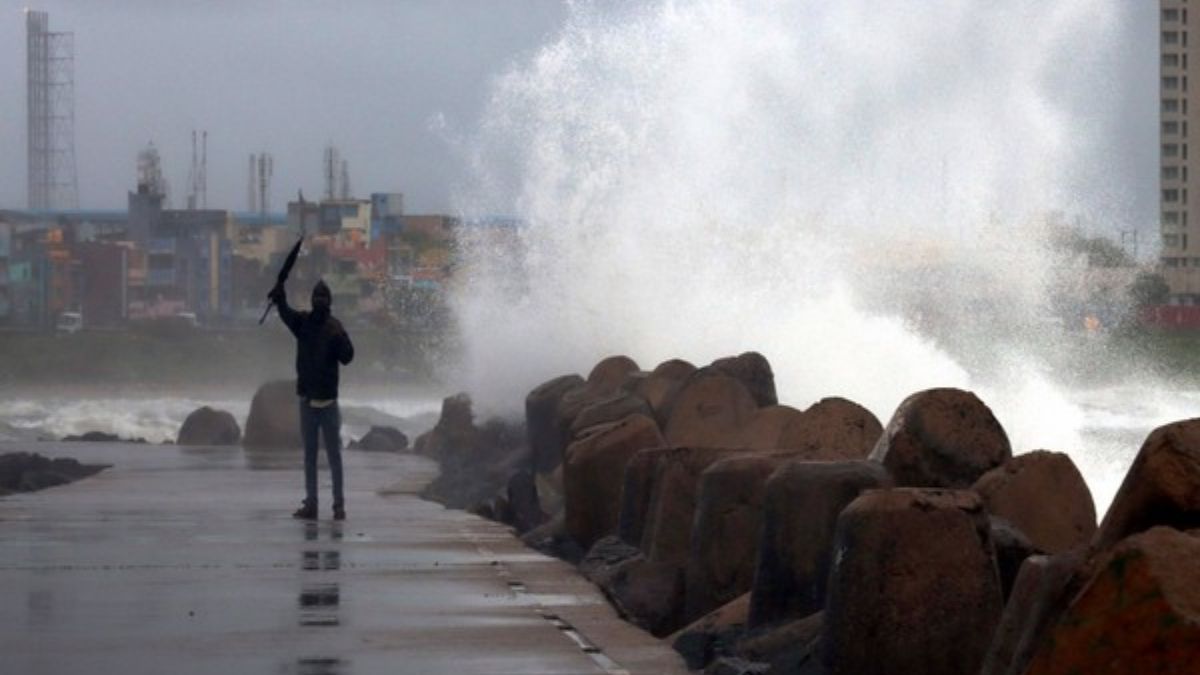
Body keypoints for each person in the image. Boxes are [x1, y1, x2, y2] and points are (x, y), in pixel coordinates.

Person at [268, 279, 355, 520]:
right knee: (329, 457)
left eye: (320, 298)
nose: (319, 302)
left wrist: (280, 298)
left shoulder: (314, 325)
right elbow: (348, 357)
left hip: (316, 401)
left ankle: (322, 505)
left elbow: (347, 356)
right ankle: (331, 506)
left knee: (316, 457)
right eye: (319, 297)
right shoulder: (322, 325)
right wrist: (280, 298)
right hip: (316, 401)